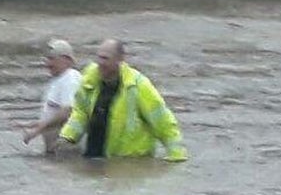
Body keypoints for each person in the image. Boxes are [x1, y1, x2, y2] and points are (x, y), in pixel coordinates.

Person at [59, 39, 189, 162]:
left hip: (130, 162)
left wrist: (176, 155)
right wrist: (67, 136)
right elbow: (80, 113)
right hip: (94, 158)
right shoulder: (89, 79)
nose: (100, 63)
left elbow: (163, 121)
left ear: (120, 60)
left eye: (105, 58)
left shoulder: (138, 85)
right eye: (98, 57)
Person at [22, 39, 82, 153]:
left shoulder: (71, 78)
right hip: (57, 150)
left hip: (67, 149)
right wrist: (33, 124)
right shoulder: (58, 80)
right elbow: (53, 114)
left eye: (52, 59)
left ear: (66, 59)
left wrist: (36, 131)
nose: (47, 64)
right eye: (47, 59)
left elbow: (67, 112)